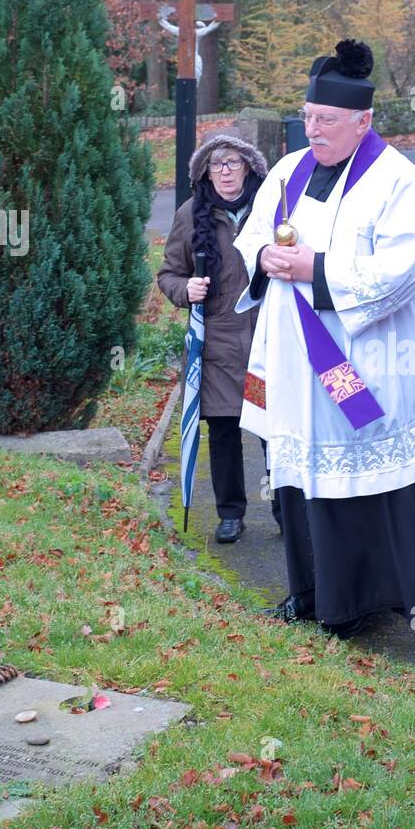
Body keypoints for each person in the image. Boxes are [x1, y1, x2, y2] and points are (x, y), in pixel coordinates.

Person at [233, 38, 415, 639]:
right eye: (306, 117)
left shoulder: (399, 181)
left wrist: (313, 270)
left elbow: (403, 270)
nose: (312, 129)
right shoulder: (287, 170)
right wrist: (267, 254)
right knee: (299, 480)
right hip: (297, 367)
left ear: (362, 121)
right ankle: (310, 593)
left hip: (362, 365)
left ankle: (360, 602)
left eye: (325, 120)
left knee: (357, 480)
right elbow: (251, 241)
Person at [156, 127, 276, 544]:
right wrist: (184, 289)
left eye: (233, 162)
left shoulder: (272, 207)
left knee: (272, 428)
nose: (225, 171)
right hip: (219, 340)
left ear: (249, 166)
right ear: (206, 171)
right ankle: (230, 513)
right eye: (216, 163)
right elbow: (169, 273)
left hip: (268, 336)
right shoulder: (191, 213)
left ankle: (285, 510)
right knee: (224, 430)